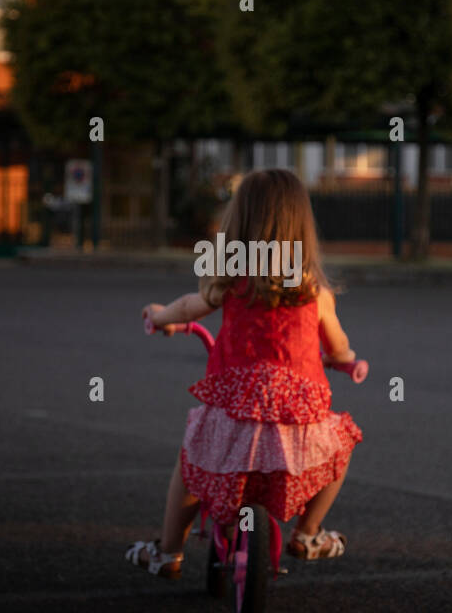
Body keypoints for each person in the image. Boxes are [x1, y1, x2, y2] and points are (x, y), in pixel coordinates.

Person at [126, 169, 362, 578]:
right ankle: (308, 534)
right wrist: (345, 358)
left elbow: (188, 307)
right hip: (296, 419)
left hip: (235, 411)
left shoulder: (233, 281)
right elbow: (337, 342)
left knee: (192, 463)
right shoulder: (313, 290)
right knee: (340, 448)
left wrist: (159, 316)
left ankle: (168, 552)